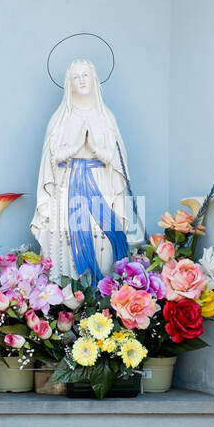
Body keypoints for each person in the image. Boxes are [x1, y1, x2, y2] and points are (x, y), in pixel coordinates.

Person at [30, 59, 133, 283]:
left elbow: (119, 157)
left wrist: (97, 149)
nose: (81, 80)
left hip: (101, 182)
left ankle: (103, 292)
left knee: (103, 237)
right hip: (69, 185)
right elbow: (51, 158)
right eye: (76, 77)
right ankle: (70, 293)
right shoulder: (61, 118)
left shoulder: (106, 117)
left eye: (85, 75)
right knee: (68, 236)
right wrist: (75, 146)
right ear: (69, 84)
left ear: (94, 78)